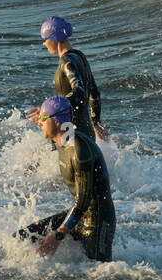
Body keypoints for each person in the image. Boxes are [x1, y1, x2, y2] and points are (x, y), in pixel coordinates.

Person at [16, 96, 116, 262]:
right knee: (22, 239)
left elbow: (84, 198)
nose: (39, 122)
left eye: (42, 119)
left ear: (55, 122)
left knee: (98, 277)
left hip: (97, 222)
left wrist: (58, 235)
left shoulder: (79, 150)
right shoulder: (62, 137)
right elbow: (65, 113)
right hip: (78, 215)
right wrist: (45, 114)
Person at [25, 16, 108, 140]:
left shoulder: (66, 60)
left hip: (70, 131)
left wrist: (48, 112)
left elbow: (79, 90)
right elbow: (94, 92)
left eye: (45, 39)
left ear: (54, 38)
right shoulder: (80, 56)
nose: (44, 43)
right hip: (85, 130)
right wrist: (95, 122)